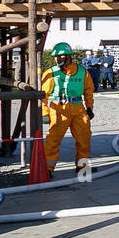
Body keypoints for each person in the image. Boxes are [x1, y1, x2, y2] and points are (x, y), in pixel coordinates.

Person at [40, 43, 94, 174]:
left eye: (61, 56)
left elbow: (88, 91)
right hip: (58, 109)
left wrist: (89, 107)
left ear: (69, 56)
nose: (58, 59)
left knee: (84, 139)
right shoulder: (51, 73)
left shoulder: (82, 71)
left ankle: (82, 166)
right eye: (56, 56)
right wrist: (44, 112)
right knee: (53, 140)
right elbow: (43, 95)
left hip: (78, 108)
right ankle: (47, 169)